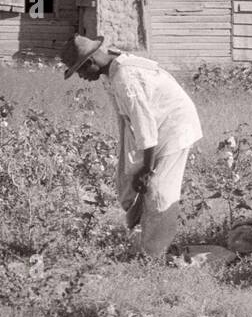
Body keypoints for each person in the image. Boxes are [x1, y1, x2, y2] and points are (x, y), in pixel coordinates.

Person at [60, 35, 203, 259]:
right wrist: (135, 167)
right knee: (136, 182)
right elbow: (130, 123)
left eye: (80, 70)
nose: (82, 77)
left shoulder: (125, 78)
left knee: (159, 190)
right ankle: (144, 240)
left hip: (175, 126)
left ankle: (152, 256)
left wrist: (147, 169)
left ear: (90, 63)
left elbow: (144, 123)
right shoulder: (113, 69)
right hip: (159, 125)